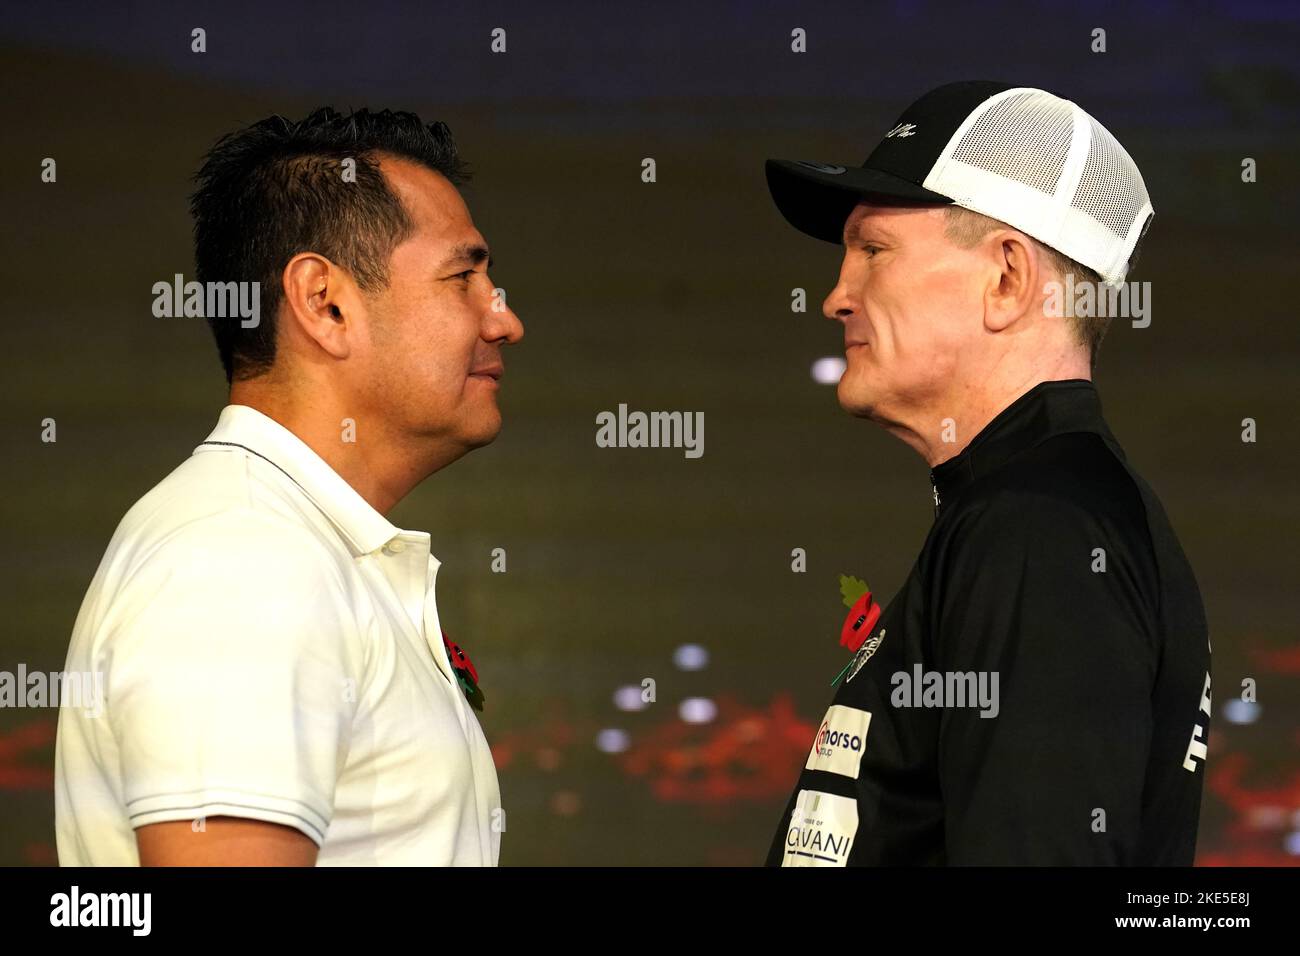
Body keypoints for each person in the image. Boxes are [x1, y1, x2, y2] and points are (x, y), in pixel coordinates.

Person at [55, 107, 523, 865]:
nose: (505, 321)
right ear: (324, 303)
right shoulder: (246, 558)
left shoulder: (286, 545)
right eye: (464, 276)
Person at [762, 81, 1209, 865]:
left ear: (1006, 278)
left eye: (873, 251)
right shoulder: (1026, 514)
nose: (836, 297)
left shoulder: (1043, 532)